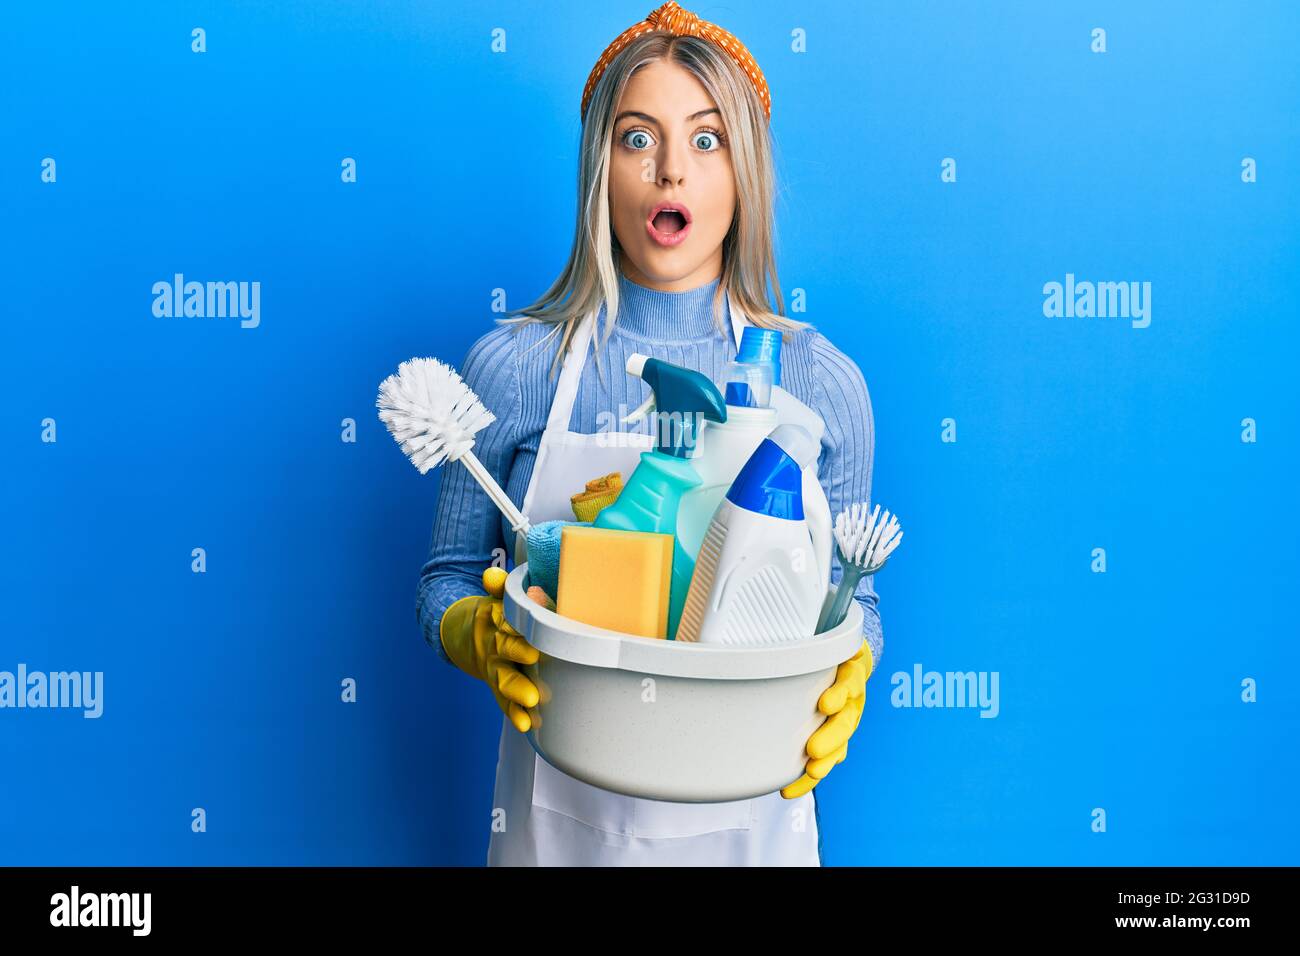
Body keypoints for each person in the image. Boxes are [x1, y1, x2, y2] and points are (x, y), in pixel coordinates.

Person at [419, 1, 881, 866]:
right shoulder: (517, 365)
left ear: (746, 170)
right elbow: (445, 577)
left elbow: (854, 596)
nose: (671, 170)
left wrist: (852, 668)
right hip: (556, 824)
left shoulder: (821, 383)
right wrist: (477, 635)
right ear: (600, 167)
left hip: (756, 826)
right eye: (638, 139)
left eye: (706, 140)